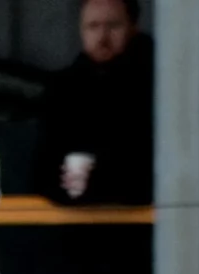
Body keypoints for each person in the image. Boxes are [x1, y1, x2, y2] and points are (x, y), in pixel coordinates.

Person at [34, 0, 153, 207]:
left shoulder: (156, 86)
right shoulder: (63, 90)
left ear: (133, 28)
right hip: (73, 221)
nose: (102, 37)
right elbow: (42, 171)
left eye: (113, 26)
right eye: (93, 26)